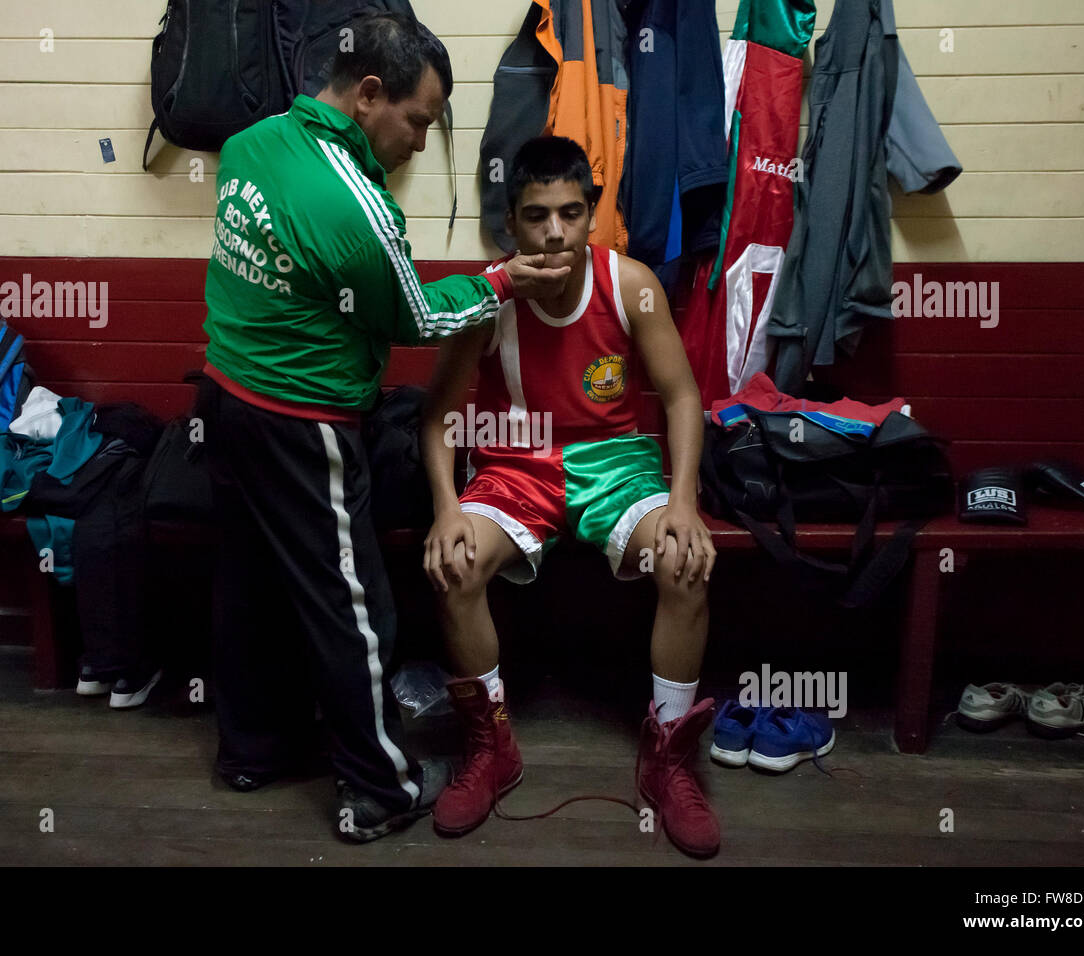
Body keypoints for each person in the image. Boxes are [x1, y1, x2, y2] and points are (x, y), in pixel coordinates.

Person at [195, 13, 575, 844]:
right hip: (303, 426)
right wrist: (501, 282)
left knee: (250, 588)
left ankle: (252, 751)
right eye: (418, 120)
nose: (419, 141)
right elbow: (414, 319)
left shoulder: (255, 142)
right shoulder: (357, 204)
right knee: (353, 610)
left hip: (225, 402)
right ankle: (379, 788)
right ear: (369, 94)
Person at [420, 136, 721, 857]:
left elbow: (682, 399)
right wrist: (445, 508)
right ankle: (491, 746)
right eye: (536, 215)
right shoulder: (486, 294)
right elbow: (434, 418)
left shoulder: (632, 284)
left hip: (615, 466)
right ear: (511, 223)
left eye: (571, 212)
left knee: (683, 561)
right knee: (456, 566)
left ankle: (669, 755)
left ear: (591, 214)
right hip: (515, 466)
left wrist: (683, 501)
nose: (555, 232)